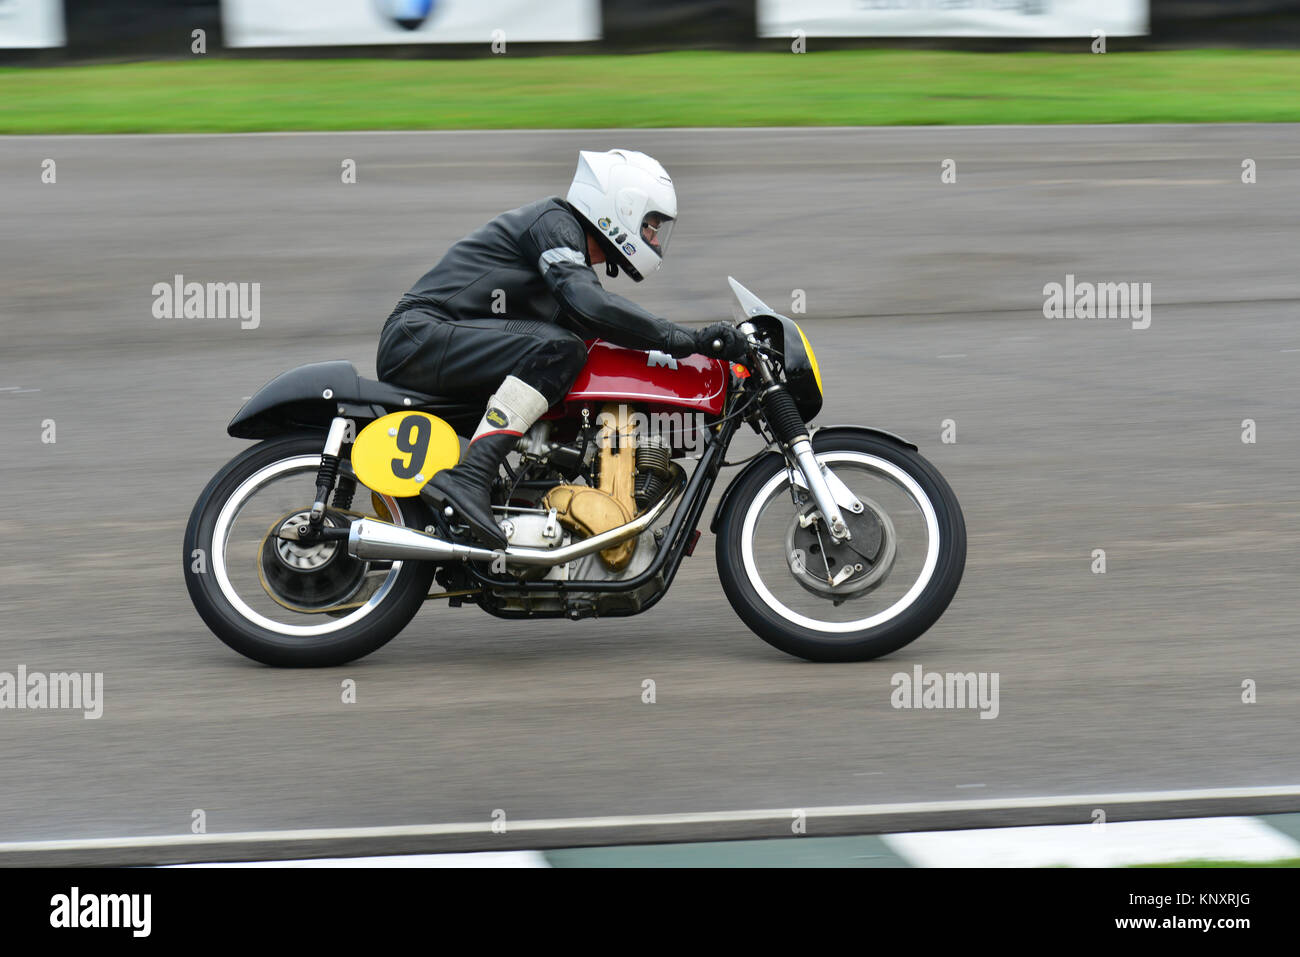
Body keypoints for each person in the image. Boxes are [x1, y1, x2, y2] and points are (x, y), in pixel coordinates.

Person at [376, 148, 747, 548]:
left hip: (446, 341)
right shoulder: (554, 224)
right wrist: (686, 340)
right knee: (562, 348)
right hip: (418, 336)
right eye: (650, 224)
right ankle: (469, 477)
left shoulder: (571, 258)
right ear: (620, 206)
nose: (654, 238)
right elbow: (591, 305)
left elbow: (600, 318)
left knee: (577, 365)